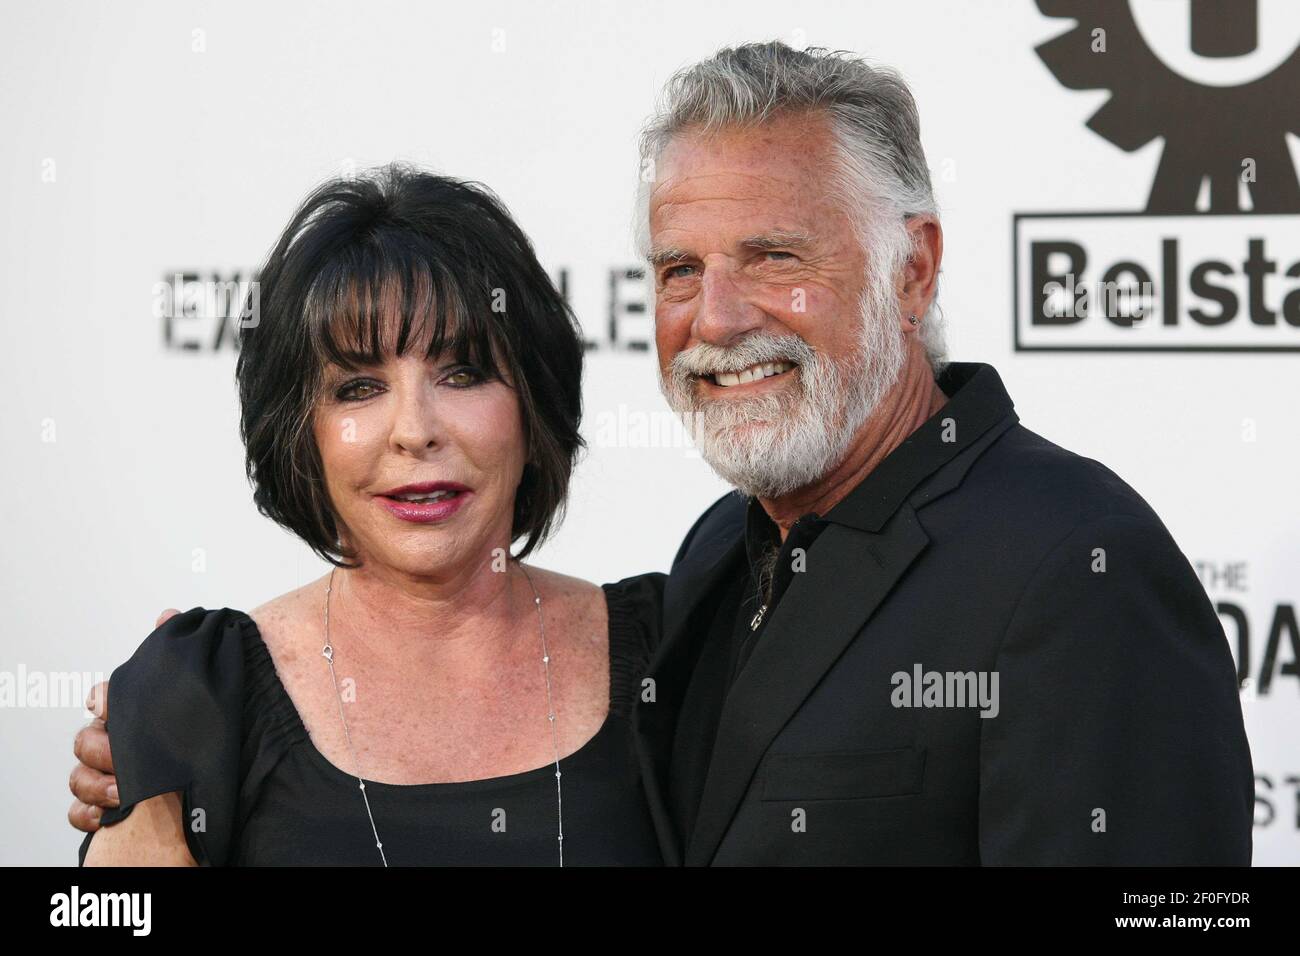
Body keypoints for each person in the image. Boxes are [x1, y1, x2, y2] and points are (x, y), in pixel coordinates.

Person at [632, 42, 1253, 864]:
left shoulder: (1081, 567)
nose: (714, 319)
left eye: (773, 256)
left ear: (912, 272)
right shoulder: (716, 549)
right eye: (680, 269)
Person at [72, 164, 663, 866]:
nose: (414, 430)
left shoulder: (675, 649)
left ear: (533, 409)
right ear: (302, 437)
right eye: (358, 387)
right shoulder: (197, 693)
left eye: (462, 374)